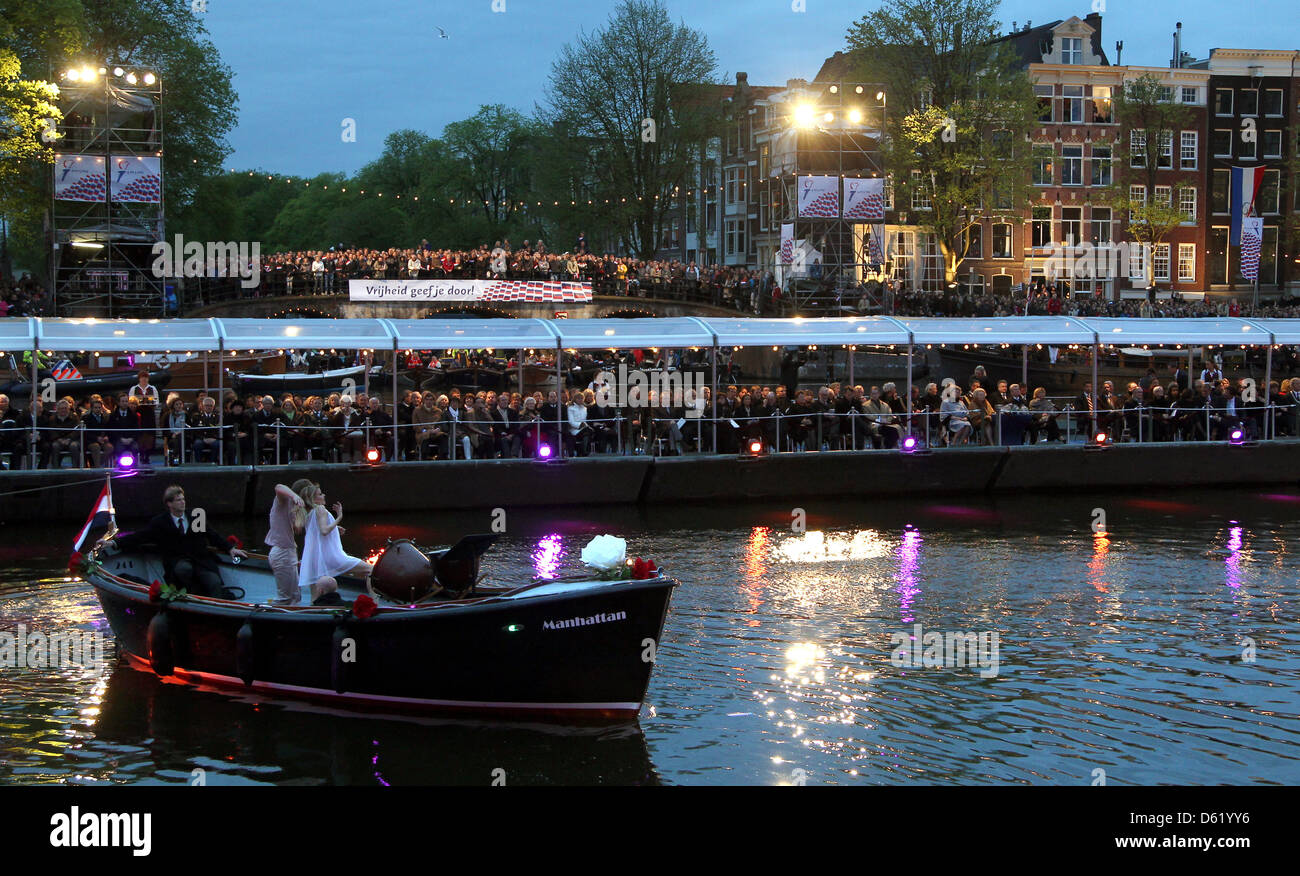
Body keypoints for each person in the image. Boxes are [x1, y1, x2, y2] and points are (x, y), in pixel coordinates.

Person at [111, 484, 248, 598]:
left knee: (214, 581)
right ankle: (188, 596)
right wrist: (115, 543)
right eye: (178, 500)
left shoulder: (195, 516)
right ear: (169, 503)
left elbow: (212, 535)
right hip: (177, 560)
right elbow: (141, 536)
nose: (182, 502)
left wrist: (230, 548)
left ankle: (217, 604)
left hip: (200, 560)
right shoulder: (161, 522)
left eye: (183, 499)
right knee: (184, 570)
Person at [296, 481, 371, 589]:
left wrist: (335, 529)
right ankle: (375, 602)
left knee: (316, 594)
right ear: (313, 499)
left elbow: (316, 532)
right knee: (371, 570)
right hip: (332, 556)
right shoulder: (320, 509)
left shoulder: (309, 512)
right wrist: (339, 517)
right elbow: (324, 531)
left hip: (316, 558)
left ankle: (315, 605)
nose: (324, 495)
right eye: (320, 494)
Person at [266, 480, 310, 605]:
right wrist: (294, 496)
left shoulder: (295, 508)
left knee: (295, 596)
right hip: (282, 552)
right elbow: (278, 486)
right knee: (286, 598)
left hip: (289, 552)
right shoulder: (284, 501)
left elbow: (300, 528)